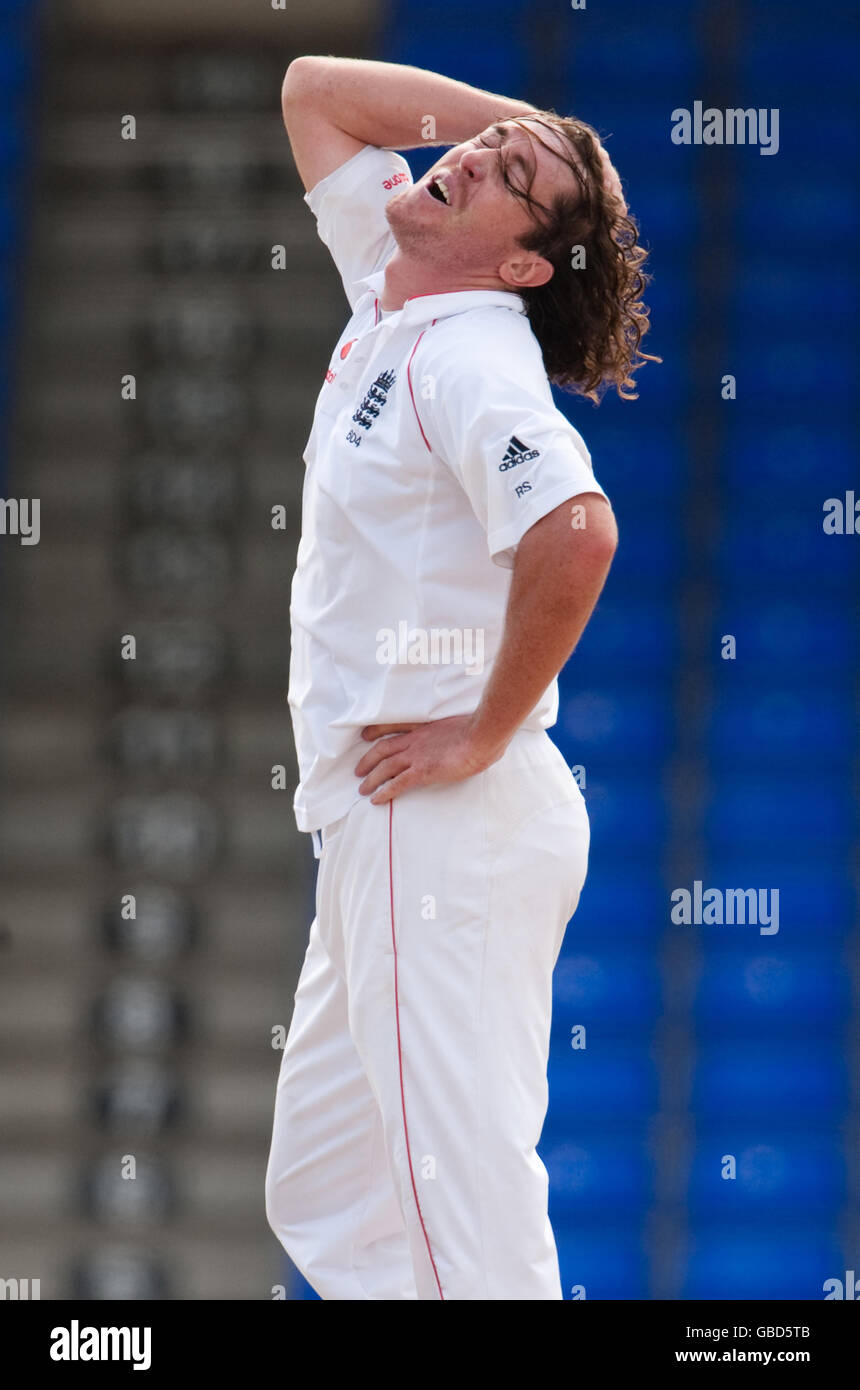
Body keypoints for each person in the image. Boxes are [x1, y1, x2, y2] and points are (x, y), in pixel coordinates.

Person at [265, 55, 655, 1300]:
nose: (467, 159)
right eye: (481, 149)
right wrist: (527, 132)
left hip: (441, 812)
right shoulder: (391, 294)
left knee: (453, 1197)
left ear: (522, 268)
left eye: (508, 179)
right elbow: (314, 89)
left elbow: (577, 528)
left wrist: (480, 730)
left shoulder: (469, 356)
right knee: (325, 1185)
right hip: (386, 817)